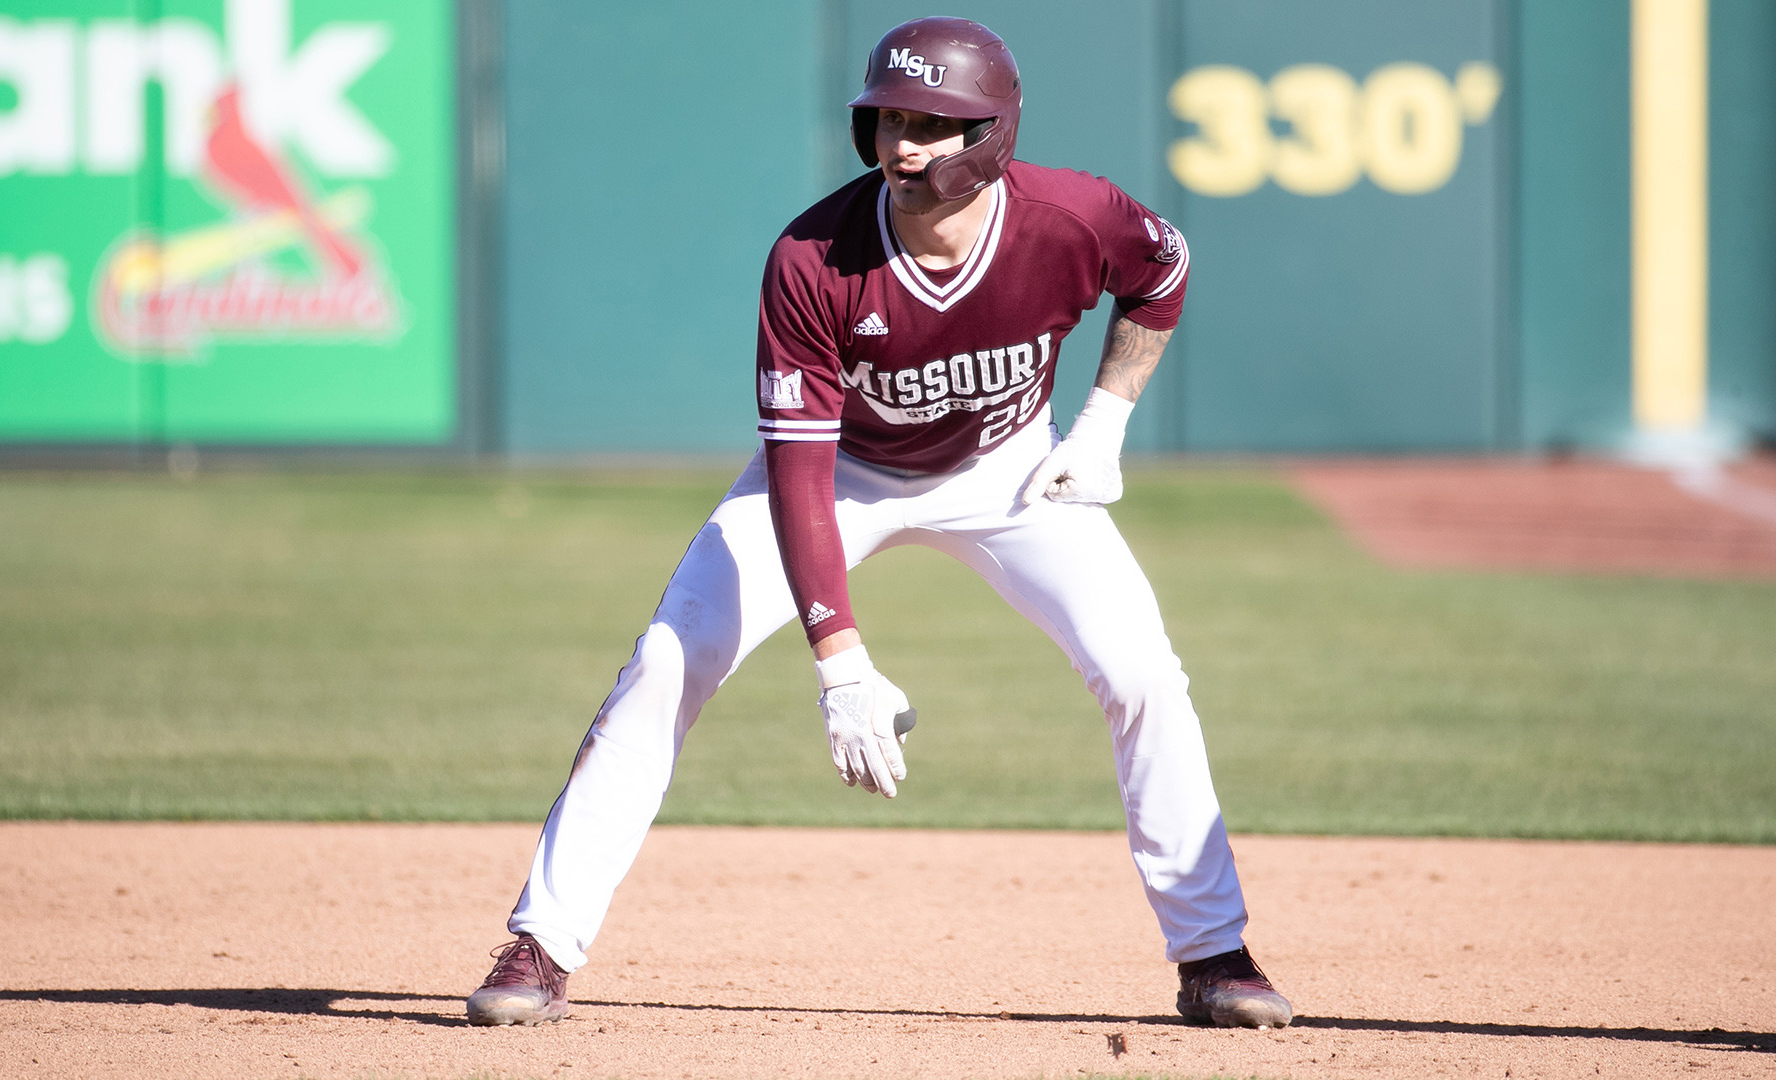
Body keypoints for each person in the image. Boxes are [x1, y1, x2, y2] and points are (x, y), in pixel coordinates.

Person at [465, 16, 1292, 1031]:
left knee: (1143, 674)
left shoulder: (1073, 217)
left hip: (1010, 468)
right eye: (892, 119)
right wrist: (841, 661)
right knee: (669, 661)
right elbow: (800, 473)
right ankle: (541, 943)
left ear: (991, 133)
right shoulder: (815, 259)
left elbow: (1161, 275)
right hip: (843, 475)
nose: (905, 144)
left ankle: (1215, 956)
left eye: (935, 125)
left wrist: (1106, 421)